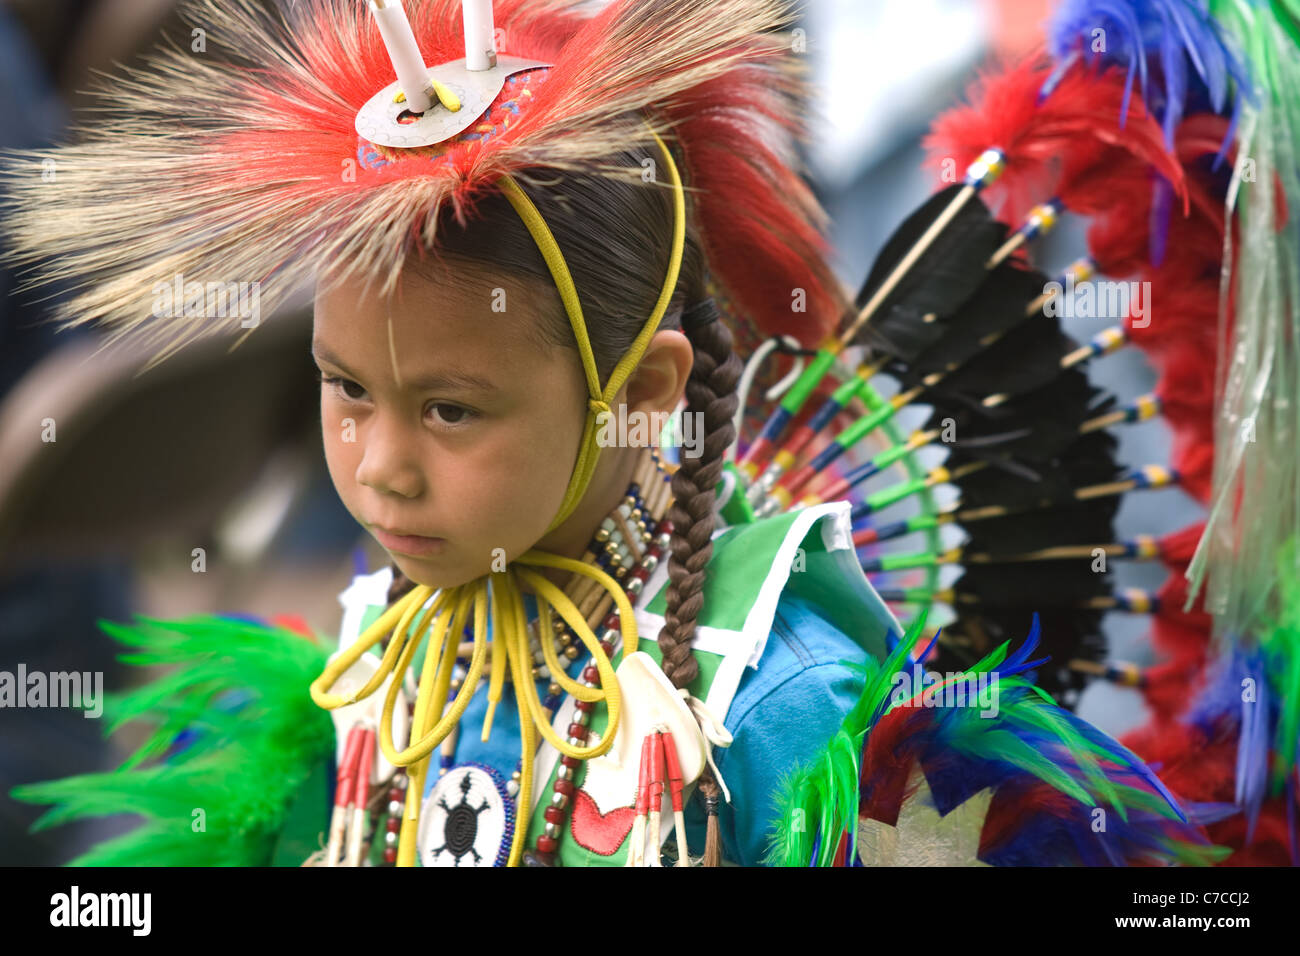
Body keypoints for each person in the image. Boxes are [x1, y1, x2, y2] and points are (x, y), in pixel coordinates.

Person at [7, 0, 1218, 867]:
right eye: (342, 390)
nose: (378, 467)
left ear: (643, 391)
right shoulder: (374, 657)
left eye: (448, 408)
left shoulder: (779, 707)